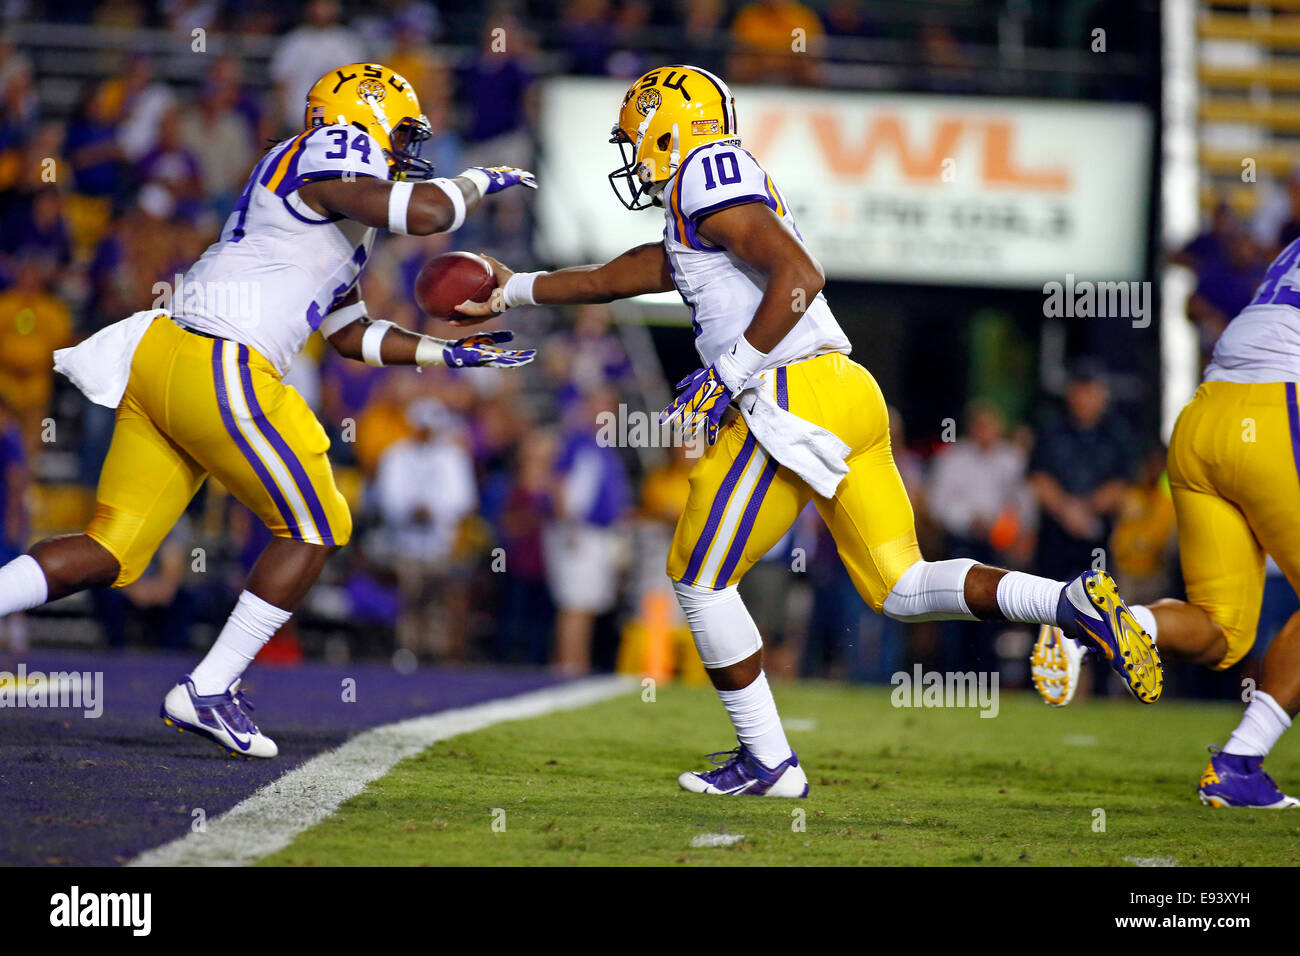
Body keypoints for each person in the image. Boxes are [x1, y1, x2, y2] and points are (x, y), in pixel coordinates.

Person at [455, 64, 1161, 797]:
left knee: (697, 579)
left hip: (789, 392)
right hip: (845, 389)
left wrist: (730, 370)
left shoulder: (704, 168)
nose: (632, 156)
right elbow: (627, 273)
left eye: (637, 138)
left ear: (673, 128)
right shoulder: (703, 200)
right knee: (903, 586)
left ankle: (768, 761)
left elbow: (799, 275)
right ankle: (1069, 602)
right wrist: (515, 287)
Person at [0, 62, 538, 759]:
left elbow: (350, 336)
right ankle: (209, 688)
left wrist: (447, 356)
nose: (407, 148)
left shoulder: (341, 216)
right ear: (361, 119)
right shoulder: (325, 149)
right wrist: (478, 180)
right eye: (401, 131)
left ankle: (202, 685)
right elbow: (428, 212)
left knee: (110, 550)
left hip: (175, 358)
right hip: (219, 361)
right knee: (319, 522)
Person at [1034, 235, 1300, 808]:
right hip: (1276, 413)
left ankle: (1101, 624)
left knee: (1222, 633)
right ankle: (1239, 761)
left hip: (1204, 417)